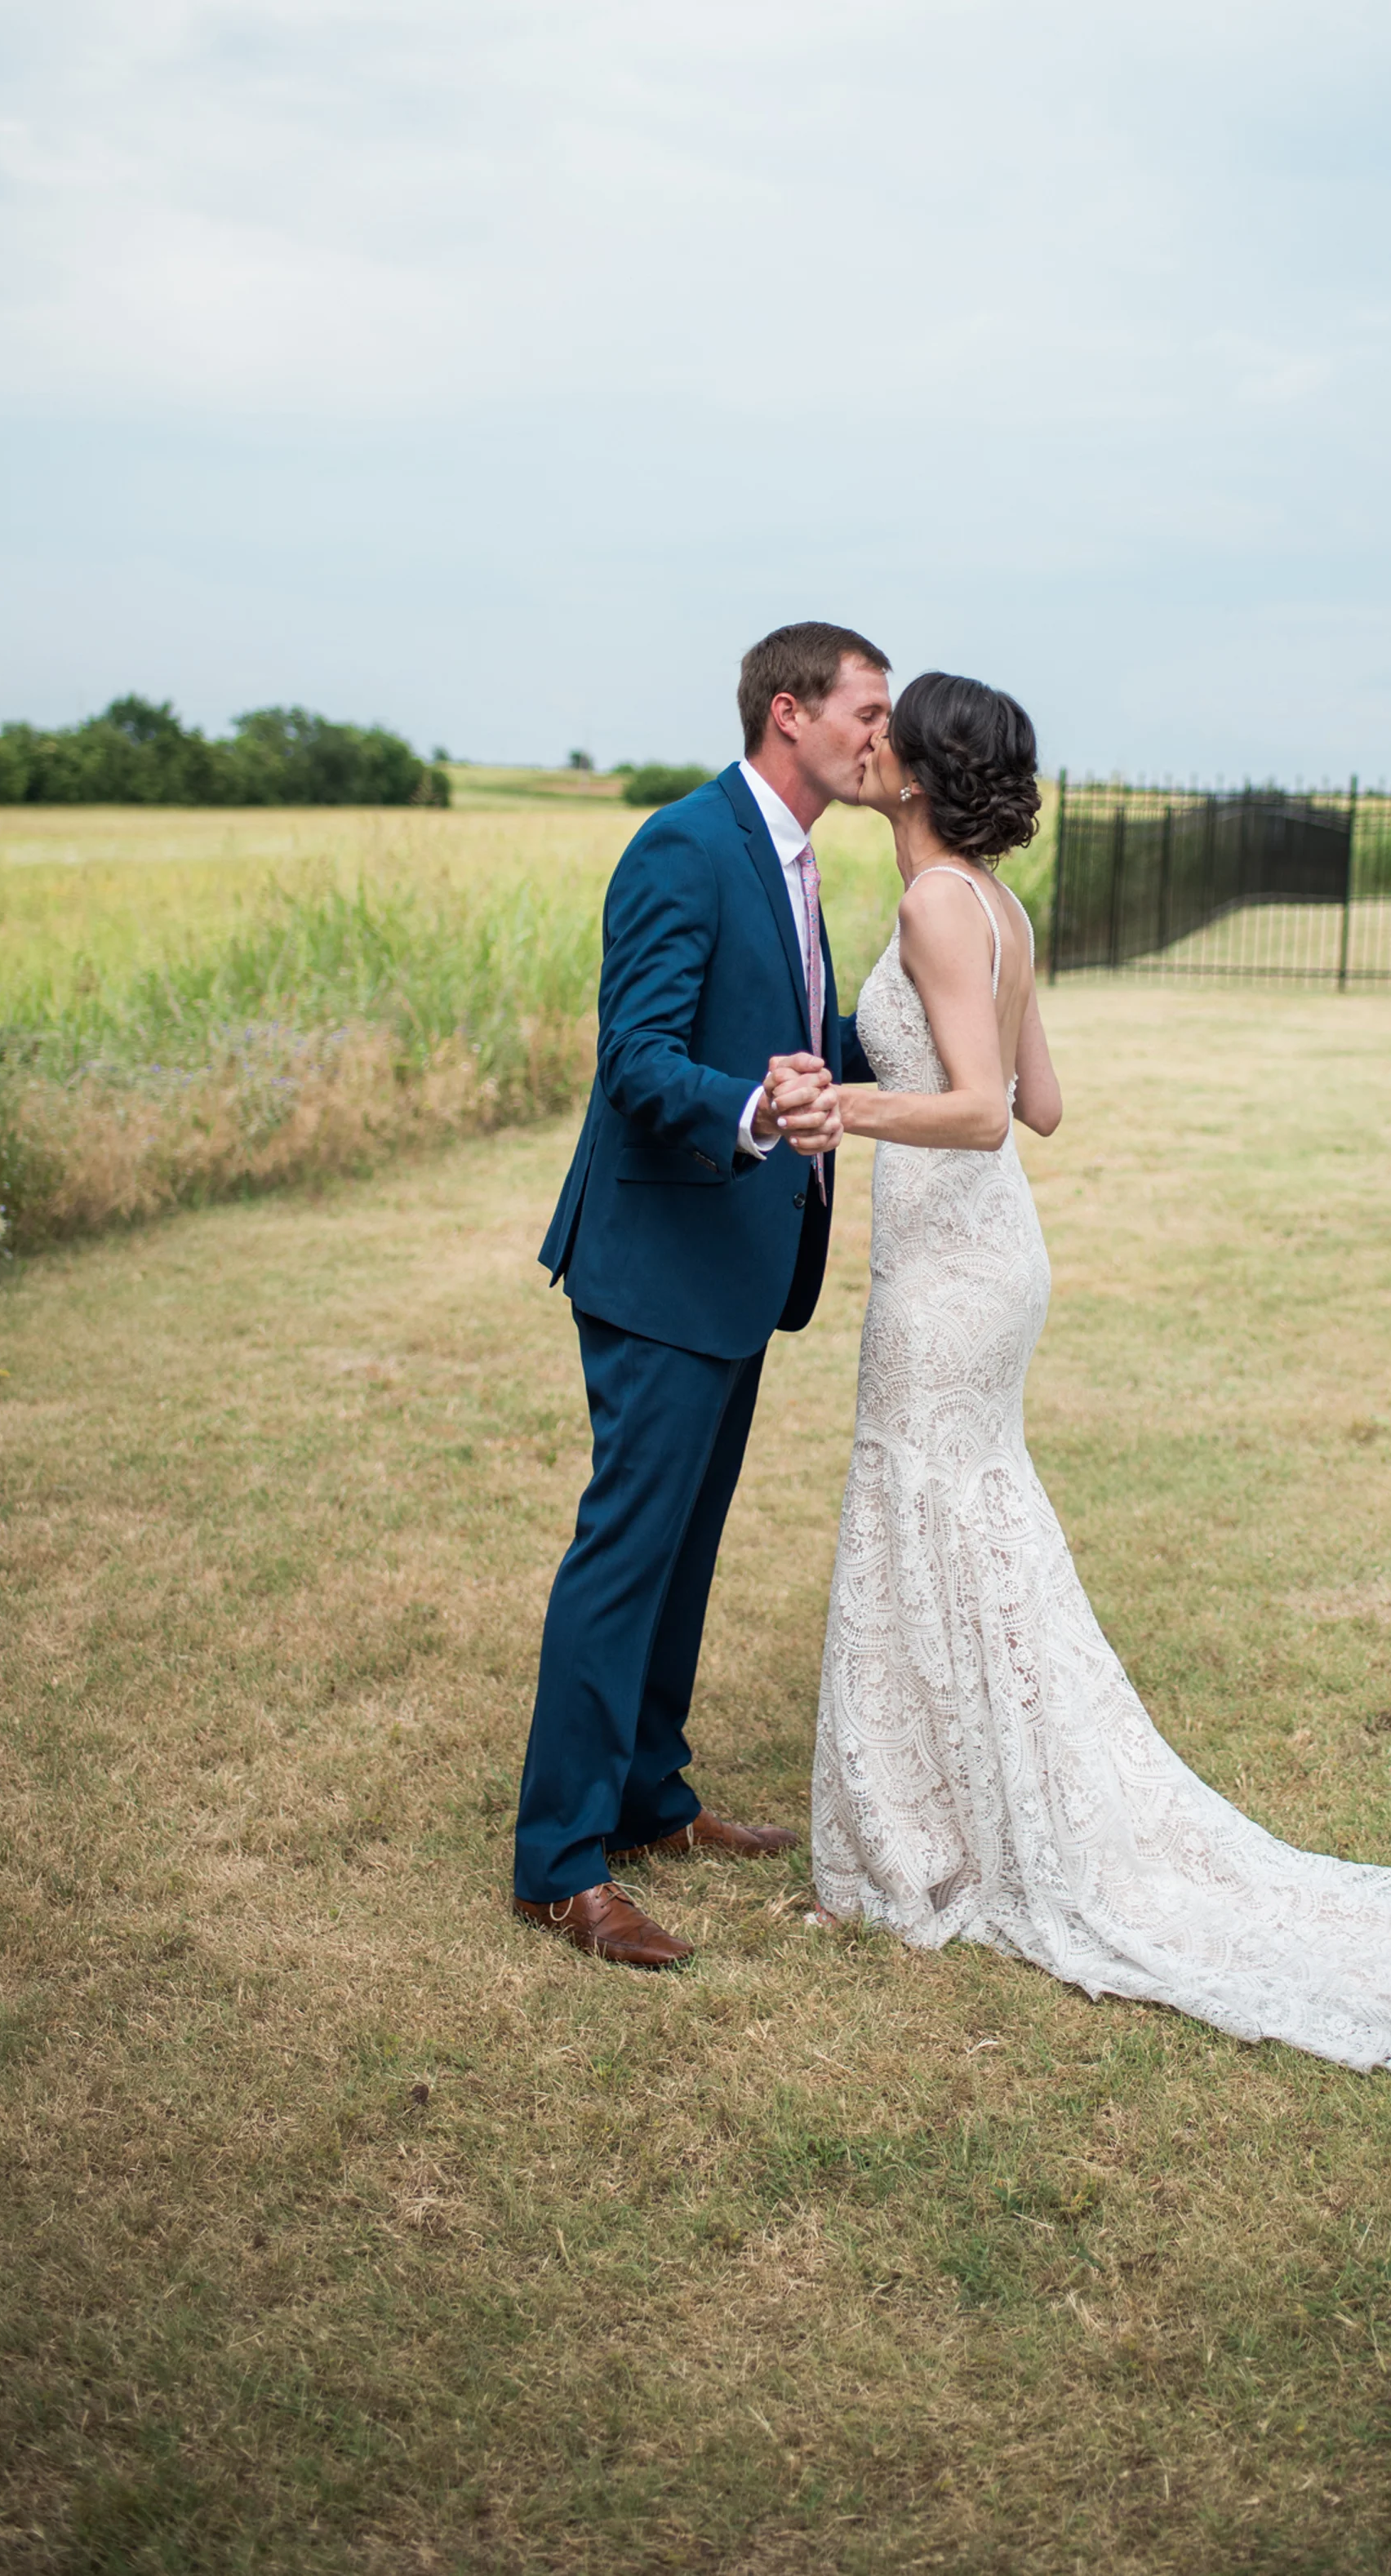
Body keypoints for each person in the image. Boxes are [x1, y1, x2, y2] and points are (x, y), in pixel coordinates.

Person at [799, 671, 1391, 2072]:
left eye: (889, 732)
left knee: (927, 1502)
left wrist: (840, 1102)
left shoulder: (941, 904)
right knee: (966, 1511)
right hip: (998, 1264)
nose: (866, 747)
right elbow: (1046, 1100)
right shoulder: (1000, 907)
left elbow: (987, 1116)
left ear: (926, 772)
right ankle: (960, 1802)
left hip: (951, 1269)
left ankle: (938, 1834)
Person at [510, 624, 881, 1969]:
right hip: (658, 1264)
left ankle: (651, 1798)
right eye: (866, 712)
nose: (878, 738)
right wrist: (754, 1111)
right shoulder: (683, 842)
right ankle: (559, 1863)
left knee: (686, 1547)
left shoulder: (794, 862)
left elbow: (805, 1035)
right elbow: (641, 1060)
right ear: (791, 713)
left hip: (739, 1267)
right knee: (624, 1554)